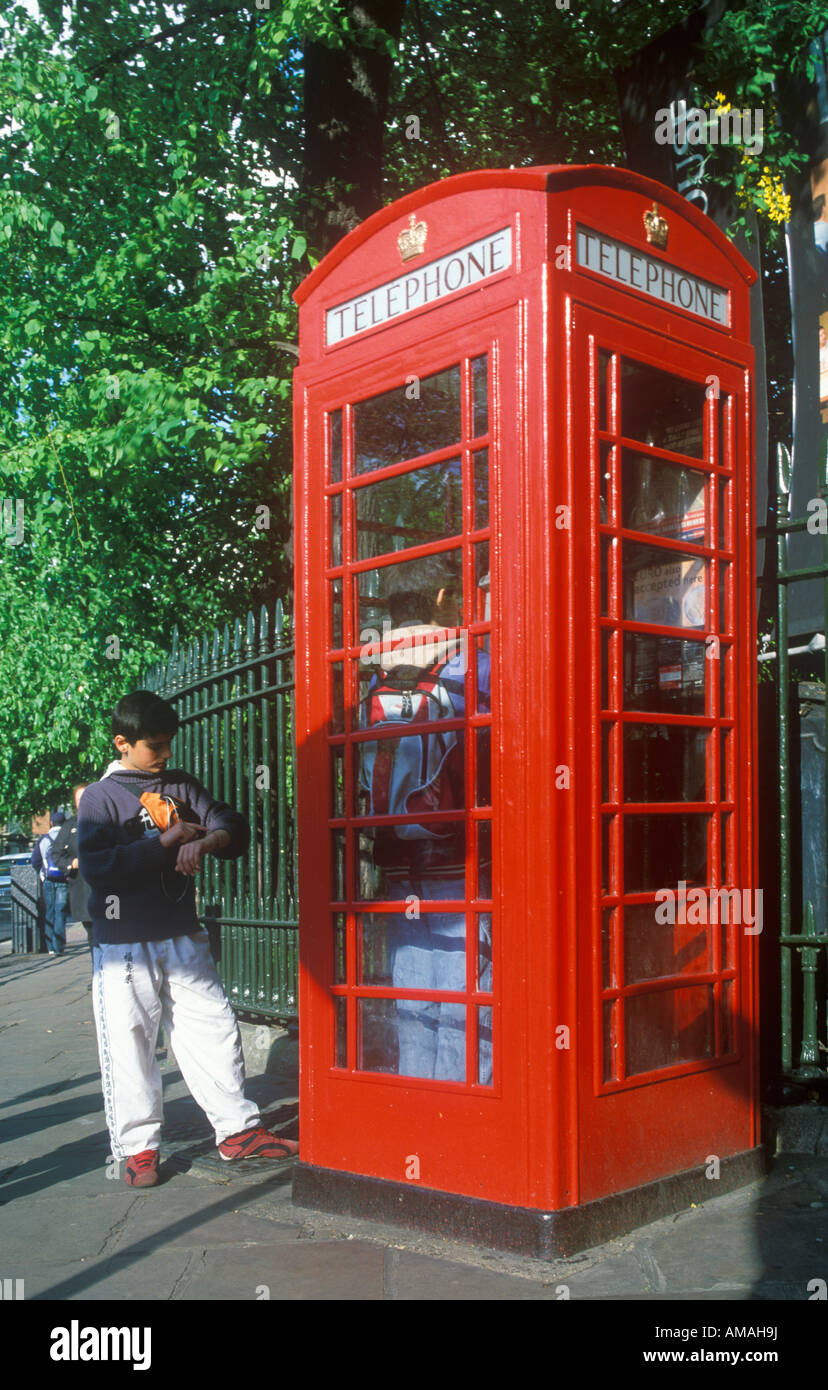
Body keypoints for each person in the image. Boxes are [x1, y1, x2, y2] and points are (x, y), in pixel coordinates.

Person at [78, 689, 299, 1188]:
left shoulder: (180, 784)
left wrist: (208, 838)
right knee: (130, 1042)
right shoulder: (99, 798)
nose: (165, 755)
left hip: (181, 932)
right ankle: (137, 1149)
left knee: (214, 1029)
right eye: (155, 746)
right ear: (123, 743)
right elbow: (99, 870)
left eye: (168, 743)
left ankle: (238, 1131)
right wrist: (165, 842)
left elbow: (233, 825)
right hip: (123, 945)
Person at [359, 582, 492, 1083]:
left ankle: (419, 1090)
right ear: (442, 598)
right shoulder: (468, 661)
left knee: (413, 986)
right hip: (460, 849)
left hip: (395, 854)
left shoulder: (375, 671)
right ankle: (466, 1099)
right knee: (463, 990)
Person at [51, 784, 94, 984]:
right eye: (79, 800)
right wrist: (71, 864)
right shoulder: (69, 827)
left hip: (112, 894)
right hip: (83, 892)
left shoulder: (107, 822)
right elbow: (56, 855)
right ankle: (99, 974)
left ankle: (109, 974)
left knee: (112, 928)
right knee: (94, 934)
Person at [37, 809, 68, 957]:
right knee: (60, 912)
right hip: (63, 879)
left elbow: (35, 860)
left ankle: (49, 945)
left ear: (51, 822)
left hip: (48, 879)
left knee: (49, 911)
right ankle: (59, 946)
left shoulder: (44, 839)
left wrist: (43, 875)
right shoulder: (67, 837)